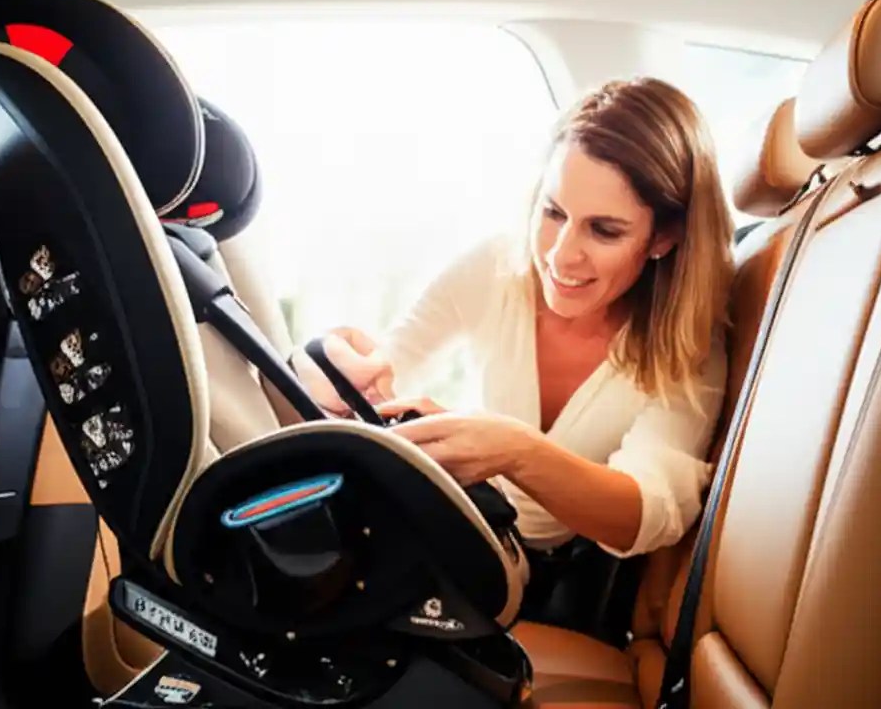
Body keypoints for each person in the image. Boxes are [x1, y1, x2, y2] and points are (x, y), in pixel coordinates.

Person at [293, 77, 734, 625]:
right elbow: (386, 360)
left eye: (604, 230)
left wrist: (515, 451)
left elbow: (650, 514)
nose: (561, 255)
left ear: (664, 239)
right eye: (553, 213)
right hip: (449, 522)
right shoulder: (496, 266)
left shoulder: (690, 343)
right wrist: (332, 357)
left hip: (535, 577)